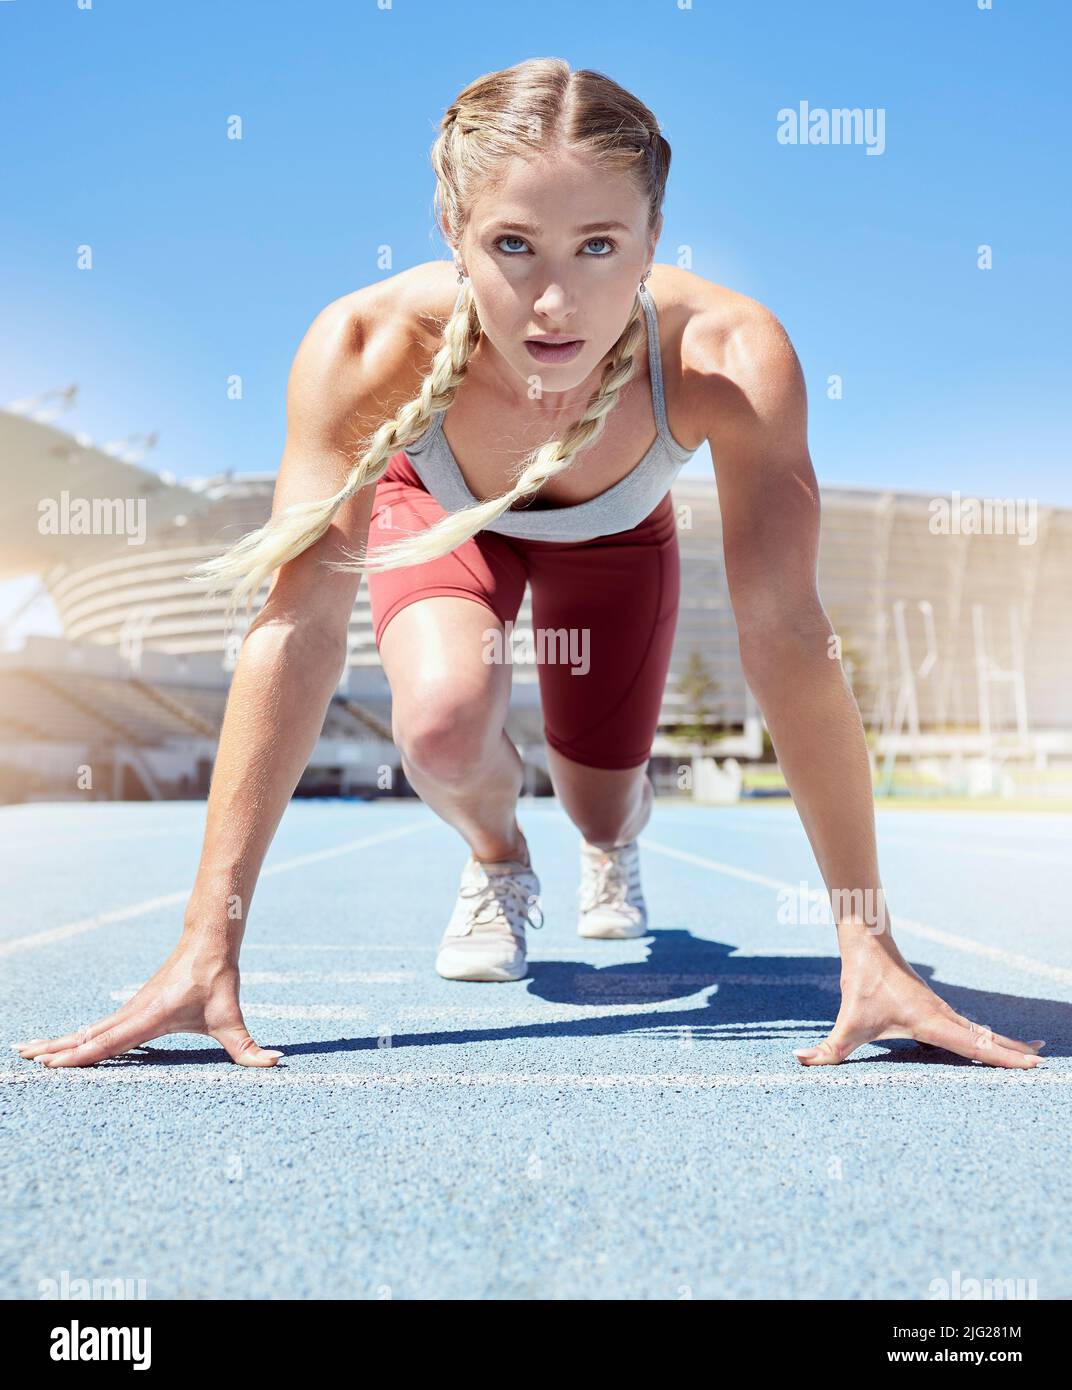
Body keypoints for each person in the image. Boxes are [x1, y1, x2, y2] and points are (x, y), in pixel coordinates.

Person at [15, 58, 1043, 1071]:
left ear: (652, 240)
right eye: (514, 244)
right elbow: (298, 626)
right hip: (445, 522)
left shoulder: (726, 355)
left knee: (602, 801)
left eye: (598, 245)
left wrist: (867, 944)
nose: (555, 302)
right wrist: (205, 944)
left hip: (616, 543)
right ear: (454, 236)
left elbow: (787, 635)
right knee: (440, 725)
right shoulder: (367, 348)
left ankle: (607, 848)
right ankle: (499, 859)